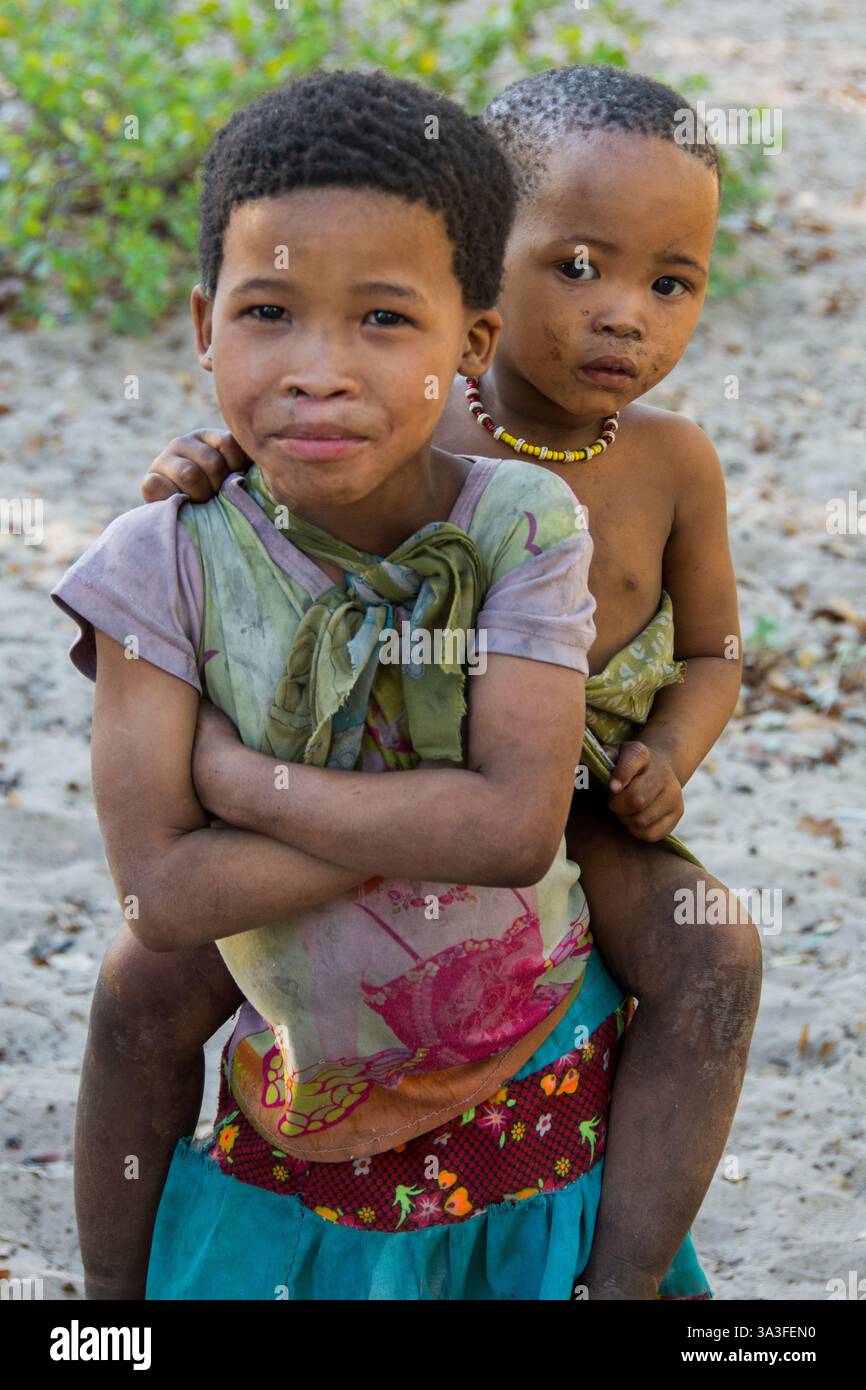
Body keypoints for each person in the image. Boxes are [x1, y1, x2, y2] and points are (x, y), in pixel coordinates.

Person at [55, 66, 755, 1303]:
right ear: (487, 284)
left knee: (716, 957)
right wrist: (208, 451)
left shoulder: (660, 463)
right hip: (350, 765)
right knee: (139, 986)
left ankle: (629, 1282)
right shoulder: (405, 419)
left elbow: (711, 654)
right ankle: (108, 1308)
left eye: (669, 282)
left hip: (571, 792)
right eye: (579, 266)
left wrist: (671, 754)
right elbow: (278, 441)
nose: (622, 318)